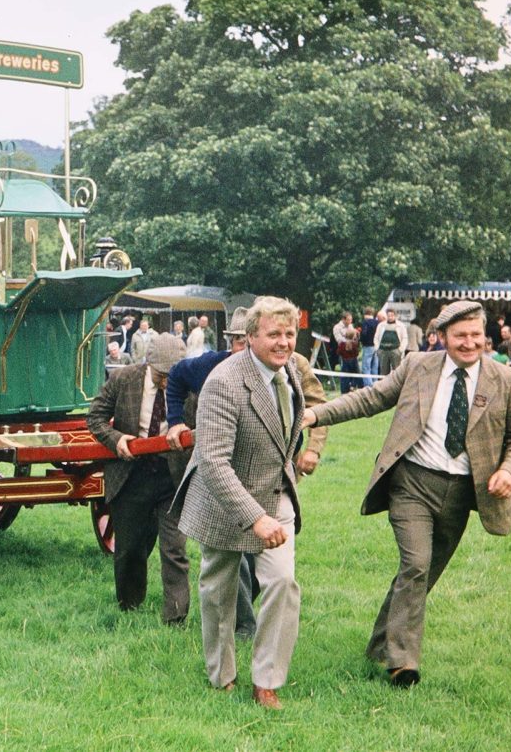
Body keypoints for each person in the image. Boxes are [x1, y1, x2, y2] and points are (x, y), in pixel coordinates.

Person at [302, 301, 511, 688]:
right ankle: (403, 664)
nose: (469, 343)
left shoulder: (505, 380)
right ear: (441, 338)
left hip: (461, 493)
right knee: (415, 564)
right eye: (460, 336)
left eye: (476, 335)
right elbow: (369, 398)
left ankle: (379, 646)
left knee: (422, 575)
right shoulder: (417, 367)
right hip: (412, 484)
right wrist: (316, 414)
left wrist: (509, 470)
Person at [174, 297, 307, 710]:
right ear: (249, 338)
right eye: (274, 334)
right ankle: (222, 676)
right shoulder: (224, 381)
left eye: (289, 334)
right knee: (219, 591)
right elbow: (212, 461)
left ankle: (266, 681)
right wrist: (254, 518)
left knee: (283, 582)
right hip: (223, 499)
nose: (283, 343)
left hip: (275, 495)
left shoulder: (291, 374)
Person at [166, 305, 327, 640]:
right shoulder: (215, 370)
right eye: (237, 341)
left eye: (287, 335)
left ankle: (265, 670)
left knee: (275, 574)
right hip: (224, 485)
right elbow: (177, 378)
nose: (241, 348)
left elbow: (318, 405)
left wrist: (312, 448)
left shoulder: (294, 366)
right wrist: (176, 420)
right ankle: (239, 631)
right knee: (227, 569)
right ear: (241, 339)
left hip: (274, 481)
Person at [87, 333, 191, 625]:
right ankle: (129, 608)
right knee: (130, 549)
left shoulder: (191, 387)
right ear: (147, 363)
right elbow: (94, 417)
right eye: (161, 375)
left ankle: (176, 617)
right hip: (132, 475)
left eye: (174, 375)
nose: (168, 383)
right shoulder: (124, 380)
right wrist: (117, 439)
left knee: (175, 549)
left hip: (172, 477)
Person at [374, 309, 408, 376]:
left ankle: (397, 386)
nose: (390, 317)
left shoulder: (401, 326)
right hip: (383, 351)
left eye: (392, 315)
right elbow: (376, 337)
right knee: (383, 372)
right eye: (388, 315)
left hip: (395, 351)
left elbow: (404, 338)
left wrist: (400, 350)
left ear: (395, 316)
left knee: (397, 371)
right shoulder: (381, 325)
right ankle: (383, 386)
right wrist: (377, 349)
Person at [360, 307, 380, 384]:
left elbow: (364, 334)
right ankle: (375, 383)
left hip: (368, 346)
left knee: (366, 367)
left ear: (365, 314)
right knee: (375, 366)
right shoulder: (377, 322)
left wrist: (361, 340)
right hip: (376, 346)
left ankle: (368, 385)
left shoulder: (365, 322)